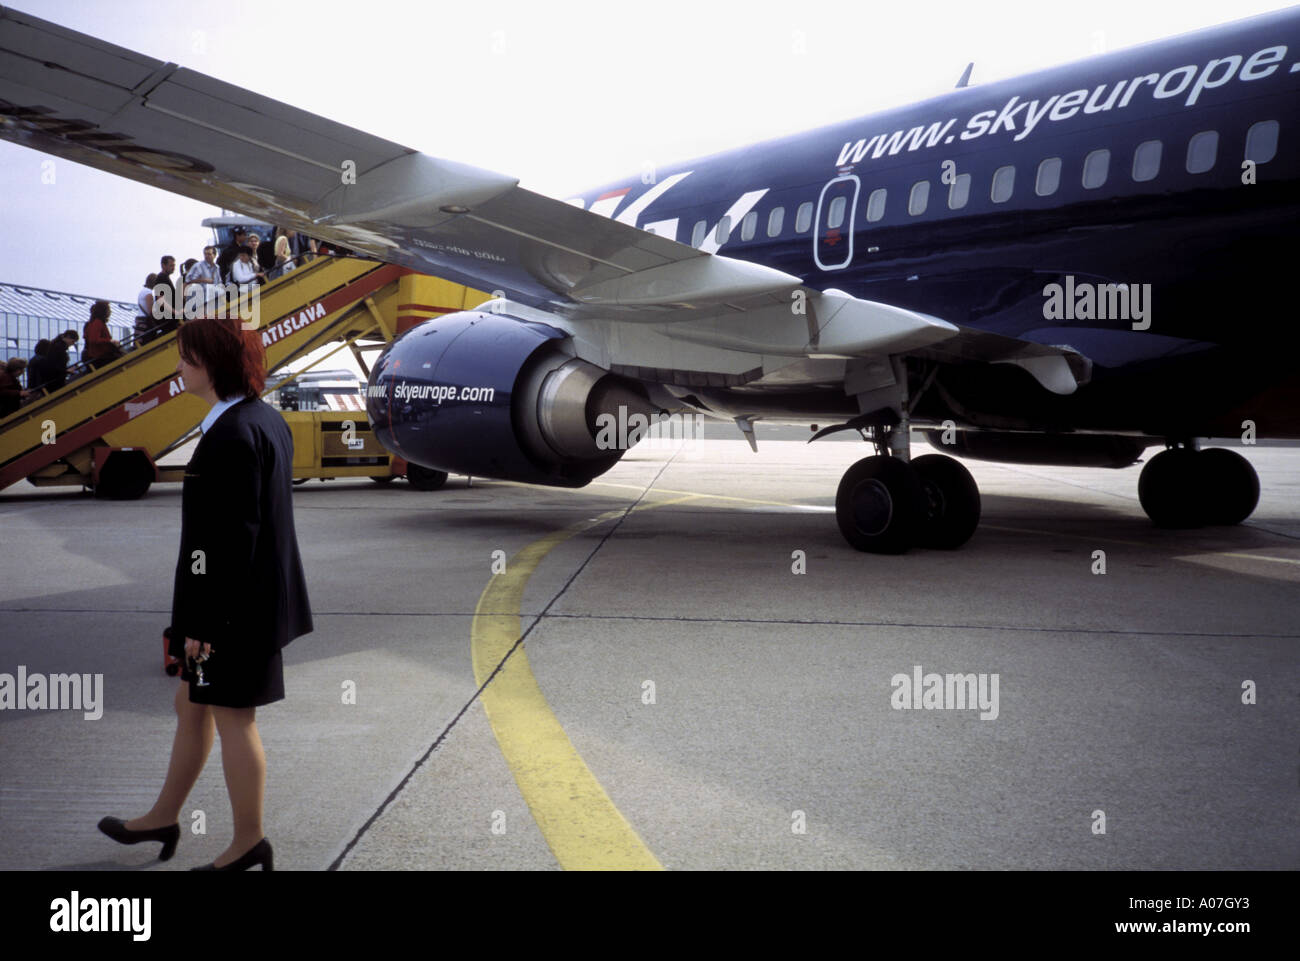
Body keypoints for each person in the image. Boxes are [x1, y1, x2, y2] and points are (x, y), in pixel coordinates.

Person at [98, 317, 312, 871]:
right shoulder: (263, 419)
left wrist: (204, 627)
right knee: (191, 703)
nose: (178, 367)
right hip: (253, 601)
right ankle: (164, 817)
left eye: (186, 359)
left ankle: (248, 843)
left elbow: (231, 542)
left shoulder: (233, 434)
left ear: (212, 366)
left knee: (234, 717)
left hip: (236, 611)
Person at [84, 301, 121, 368]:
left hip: (98, 356)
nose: (110, 312)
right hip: (100, 357)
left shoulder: (94, 322)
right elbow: (93, 339)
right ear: (103, 311)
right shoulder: (97, 323)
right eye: (109, 309)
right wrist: (110, 341)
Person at [186, 247, 221, 316]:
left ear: (214, 255)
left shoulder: (217, 267)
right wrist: (204, 279)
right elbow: (188, 280)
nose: (206, 256)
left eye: (209, 254)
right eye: (205, 254)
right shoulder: (198, 266)